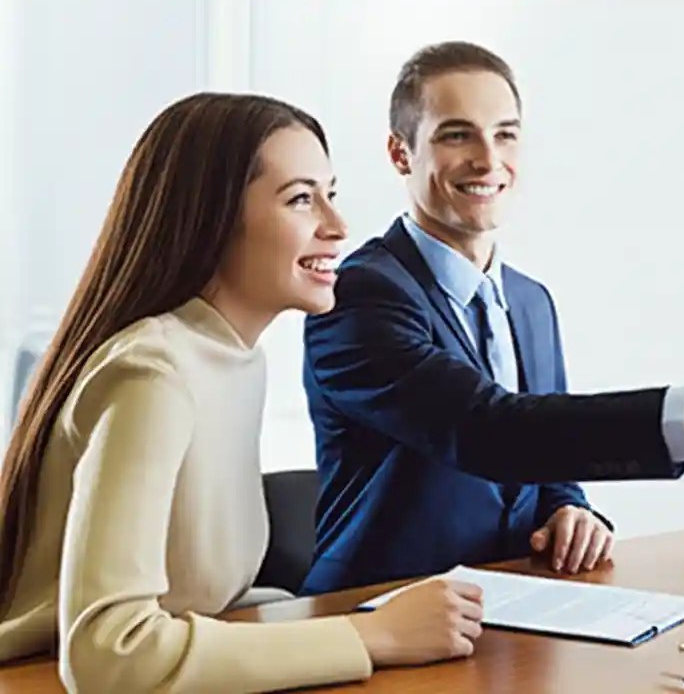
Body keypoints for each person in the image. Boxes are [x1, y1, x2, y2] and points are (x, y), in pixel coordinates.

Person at [299, 41, 684, 594]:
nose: (488, 160)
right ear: (401, 153)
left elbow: (545, 454)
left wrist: (571, 510)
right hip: (377, 613)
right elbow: (486, 429)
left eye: (505, 134)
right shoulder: (357, 296)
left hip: (513, 606)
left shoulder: (531, 301)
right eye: (457, 134)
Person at [0, 92, 487, 693]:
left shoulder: (233, 361)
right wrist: (373, 637)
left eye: (329, 195)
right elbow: (110, 655)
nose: (337, 227)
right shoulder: (153, 375)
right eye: (301, 199)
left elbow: (194, 597)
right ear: (211, 216)